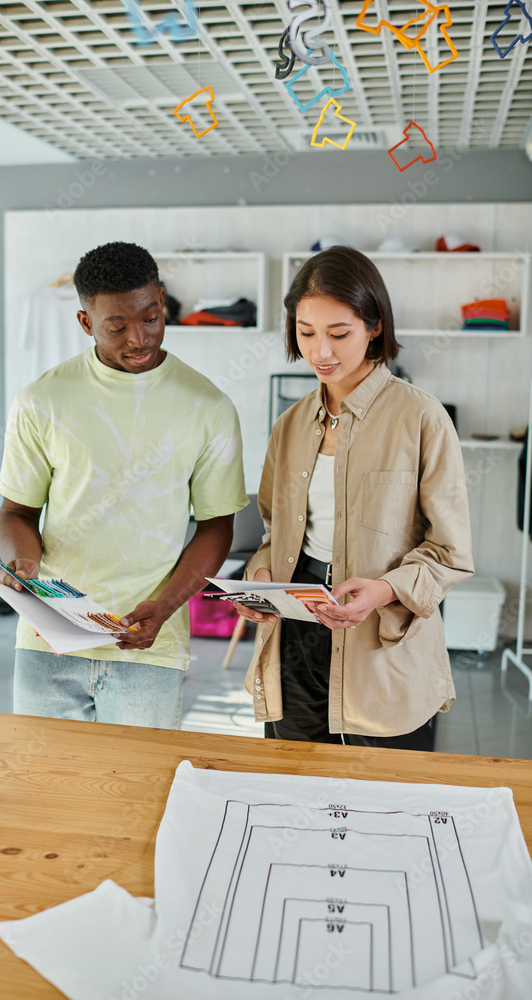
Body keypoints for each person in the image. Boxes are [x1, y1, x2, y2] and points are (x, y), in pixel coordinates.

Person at [0, 241, 248, 728]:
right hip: (50, 637)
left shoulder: (209, 407)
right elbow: (16, 513)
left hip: (149, 642)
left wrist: (169, 605)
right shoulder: (41, 401)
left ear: (162, 300)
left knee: (137, 795)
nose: (140, 338)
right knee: (44, 789)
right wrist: (20, 562)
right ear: (87, 323)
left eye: (151, 317)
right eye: (117, 327)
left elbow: (217, 526)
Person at [236, 246, 474, 750]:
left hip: (381, 647)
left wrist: (385, 591)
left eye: (339, 334)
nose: (320, 351)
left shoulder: (422, 418)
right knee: (293, 790)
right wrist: (260, 576)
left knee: (384, 807)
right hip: (294, 640)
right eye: (306, 333)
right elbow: (275, 532)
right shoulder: (290, 426)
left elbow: (451, 553)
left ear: (375, 326)